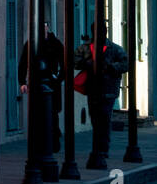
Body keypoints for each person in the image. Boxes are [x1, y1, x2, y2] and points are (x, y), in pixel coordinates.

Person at [73, 32, 129, 169]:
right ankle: (99, 148)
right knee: (95, 119)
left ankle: (102, 149)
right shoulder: (85, 47)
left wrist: (111, 67)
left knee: (104, 119)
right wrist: (89, 63)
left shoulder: (114, 48)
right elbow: (74, 61)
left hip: (108, 89)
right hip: (93, 89)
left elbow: (126, 64)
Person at [18, 20, 65, 151]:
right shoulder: (31, 44)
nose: (43, 29)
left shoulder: (55, 43)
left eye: (44, 27)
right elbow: (23, 63)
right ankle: (41, 141)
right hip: (36, 83)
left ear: (47, 28)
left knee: (52, 113)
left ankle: (54, 141)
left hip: (52, 83)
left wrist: (58, 78)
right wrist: (22, 82)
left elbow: (65, 63)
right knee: (37, 114)